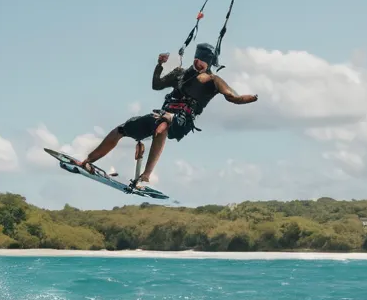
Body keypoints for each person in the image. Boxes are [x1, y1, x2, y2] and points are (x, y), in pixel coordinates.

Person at [78, 42, 258, 189]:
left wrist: (249, 99)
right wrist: (159, 65)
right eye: (196, 60)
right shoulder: (181, 74)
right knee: (121, 129)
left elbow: (232, 97)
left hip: (183, 121)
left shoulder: (214, 80)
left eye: (202, 62)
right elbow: (157, 85)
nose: (197, 64)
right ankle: (88, 161)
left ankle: (146, 177)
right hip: (162, 114)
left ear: (209, 63)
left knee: (163, 123)